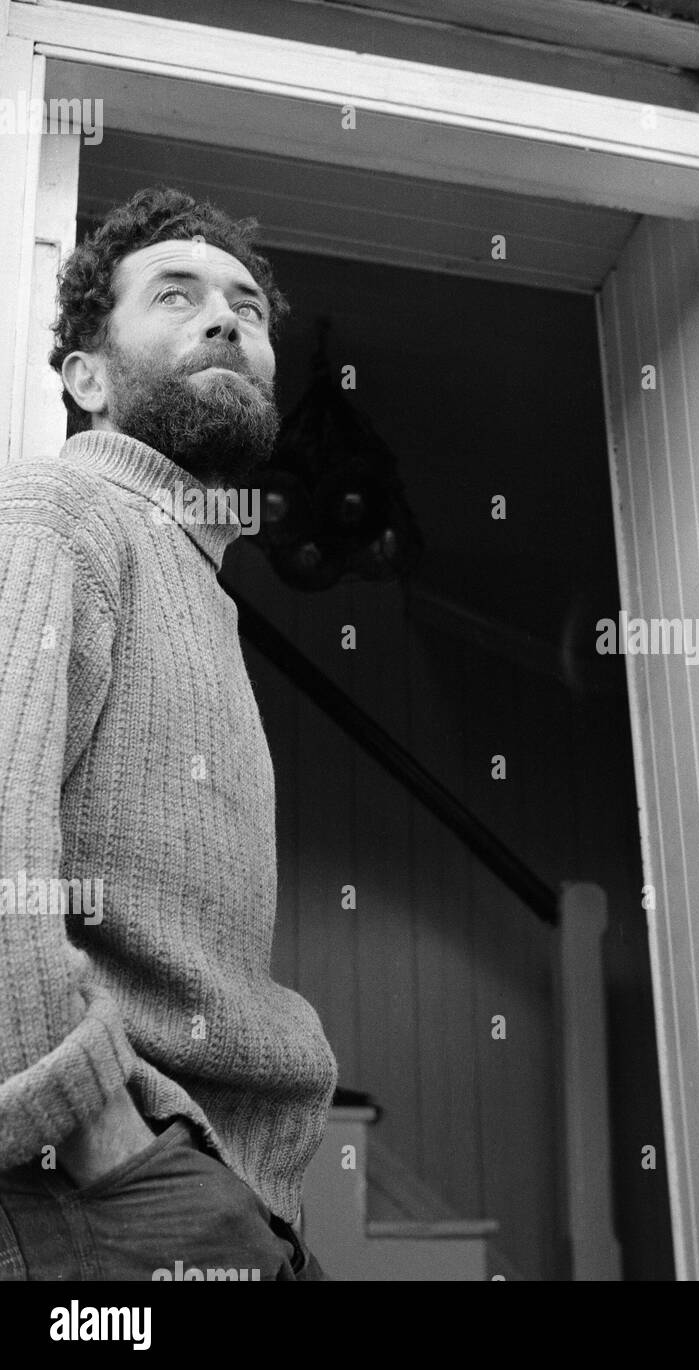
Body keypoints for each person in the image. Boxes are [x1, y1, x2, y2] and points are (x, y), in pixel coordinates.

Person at [0, 186, 337, 1281]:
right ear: (86, 378)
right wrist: (99, 1137)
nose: (226, 318)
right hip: (98, 1195)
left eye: (247, 305)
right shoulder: (60, 513)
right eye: (176, 295)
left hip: (215, 1189)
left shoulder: (197, 580)